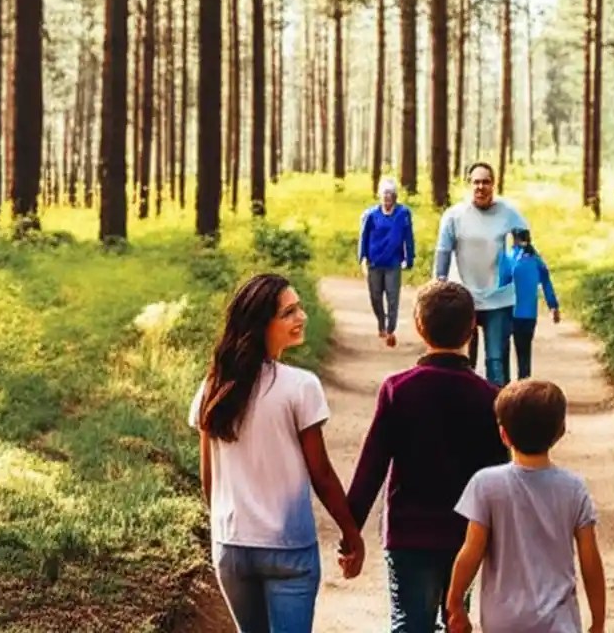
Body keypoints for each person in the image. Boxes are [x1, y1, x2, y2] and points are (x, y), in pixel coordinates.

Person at [189, 273, 366, 632]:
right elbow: (321, 473)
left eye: (299, 308)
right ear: (260, 324)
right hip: (288, 547)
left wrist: (227, 524)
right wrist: (351, 531)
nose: (301, 317)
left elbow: (209, 478)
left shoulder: (213, 386)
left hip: (231, 543)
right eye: (288, 312)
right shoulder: (300, 386)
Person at [346, 280, 508, 633]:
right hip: (464, 536)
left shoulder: (398, 389)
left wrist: (350, 531)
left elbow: (371, 465)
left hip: (408, 534)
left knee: (410, 624)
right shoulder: (488, 397)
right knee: (455, 618)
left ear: (419, 327)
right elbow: (500, 473)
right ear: (471, 328)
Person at [444, 380, 607, 633]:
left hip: (503, 622)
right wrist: (598, 621)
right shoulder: (574, 488)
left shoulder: (486, 484)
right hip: (558, 621)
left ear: (503, 435)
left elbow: (471, 551)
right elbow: (590, 562)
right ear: (561, 430)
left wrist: (455, 602)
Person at [434, 161, 529, 387]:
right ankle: (465, 412)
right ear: (469, 184)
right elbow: (443, 251)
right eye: (476, 182)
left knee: (496, 361)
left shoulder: (508, 213)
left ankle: (498, 414)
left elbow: (524, 246)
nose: (480, 187)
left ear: (493, 185)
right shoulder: (454, 215)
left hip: (499, 299)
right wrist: (439, 286)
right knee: (462, 361)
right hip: (463, 300)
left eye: (485, 182)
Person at [359, 177, 415, 348]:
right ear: (379, 196)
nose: (387, 197)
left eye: (390, 194)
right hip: (374, 262)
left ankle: (390, 330)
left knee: (392, 298)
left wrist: (409, 257)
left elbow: (408, 237)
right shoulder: (370, 215)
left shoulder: (403, 214)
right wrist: (362, 257)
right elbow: (363, 237)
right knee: (375, 297)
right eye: (384, 194)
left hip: (393, 263)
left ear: (395, 196)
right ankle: (381, 322)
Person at [500, 228, 561, 380]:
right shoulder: (536, 261)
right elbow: (546, 284)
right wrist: (553, 306)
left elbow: (500, 283)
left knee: (503, 352)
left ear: (513, 239)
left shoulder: (509, 259)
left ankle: (504, 387)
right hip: (528, 314)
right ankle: (524, 386)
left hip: (509, 312)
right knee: (524, 353)